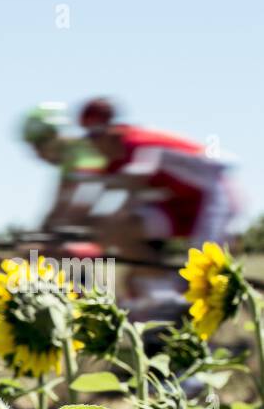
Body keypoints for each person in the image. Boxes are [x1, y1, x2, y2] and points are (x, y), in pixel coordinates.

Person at [79, 98, 241, 319]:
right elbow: (103, 206)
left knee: (201, 278)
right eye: (88, 137)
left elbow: (129, 186)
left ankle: (174, 302)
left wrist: (89, 225)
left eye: (96, 135)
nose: (93, 144)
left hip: (215, 199)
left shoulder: (137, 143)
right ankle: (165, 301)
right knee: (117, 230)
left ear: (114, 129)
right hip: (178, 206)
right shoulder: (114, 159)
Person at [18, 102, 107, 230]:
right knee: (34, 248)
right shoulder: (69, 159)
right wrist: (38, 234)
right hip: (98, 223)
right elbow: (59, 206)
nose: (37, 155)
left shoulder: (84, 154)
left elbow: (82, 203)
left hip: (113, 226)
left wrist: (41, 236)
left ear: (53, 137)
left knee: (36, 247)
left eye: (37, 145)